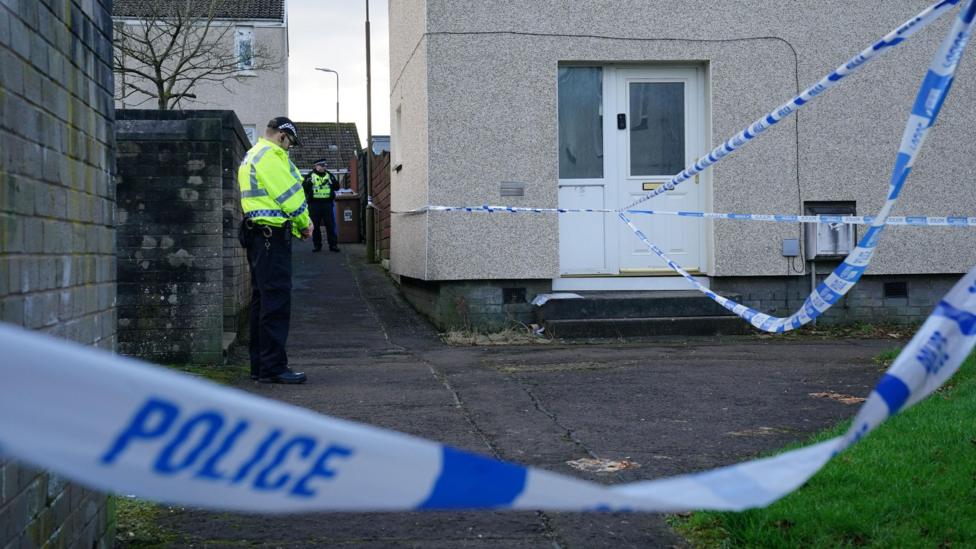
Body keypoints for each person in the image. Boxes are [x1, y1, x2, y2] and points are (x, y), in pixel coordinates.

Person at [237, 117, 311, 384]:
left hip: (258, 236)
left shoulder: (251, 155)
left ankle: (261, 366)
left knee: (262, 302)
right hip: (271, 238)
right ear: (282, 136)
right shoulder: (270, 155)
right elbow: (289, 197)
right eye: (290, 142)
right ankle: (273, 368)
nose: (289, 148)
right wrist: (305, 224)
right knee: (275, 303)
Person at [302, 158, 340, 252]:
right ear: (316, 166)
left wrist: (333, 182)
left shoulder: (329, 175)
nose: (324, 167)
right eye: (322, 165)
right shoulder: (310, 176)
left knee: (330, 225)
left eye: (325, 165)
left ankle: (333, 245)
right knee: (315, 226)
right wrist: (310, 182)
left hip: (327, 204)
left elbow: (337, 187)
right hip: (314, 205)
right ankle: (317, 246)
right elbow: (304, 188)